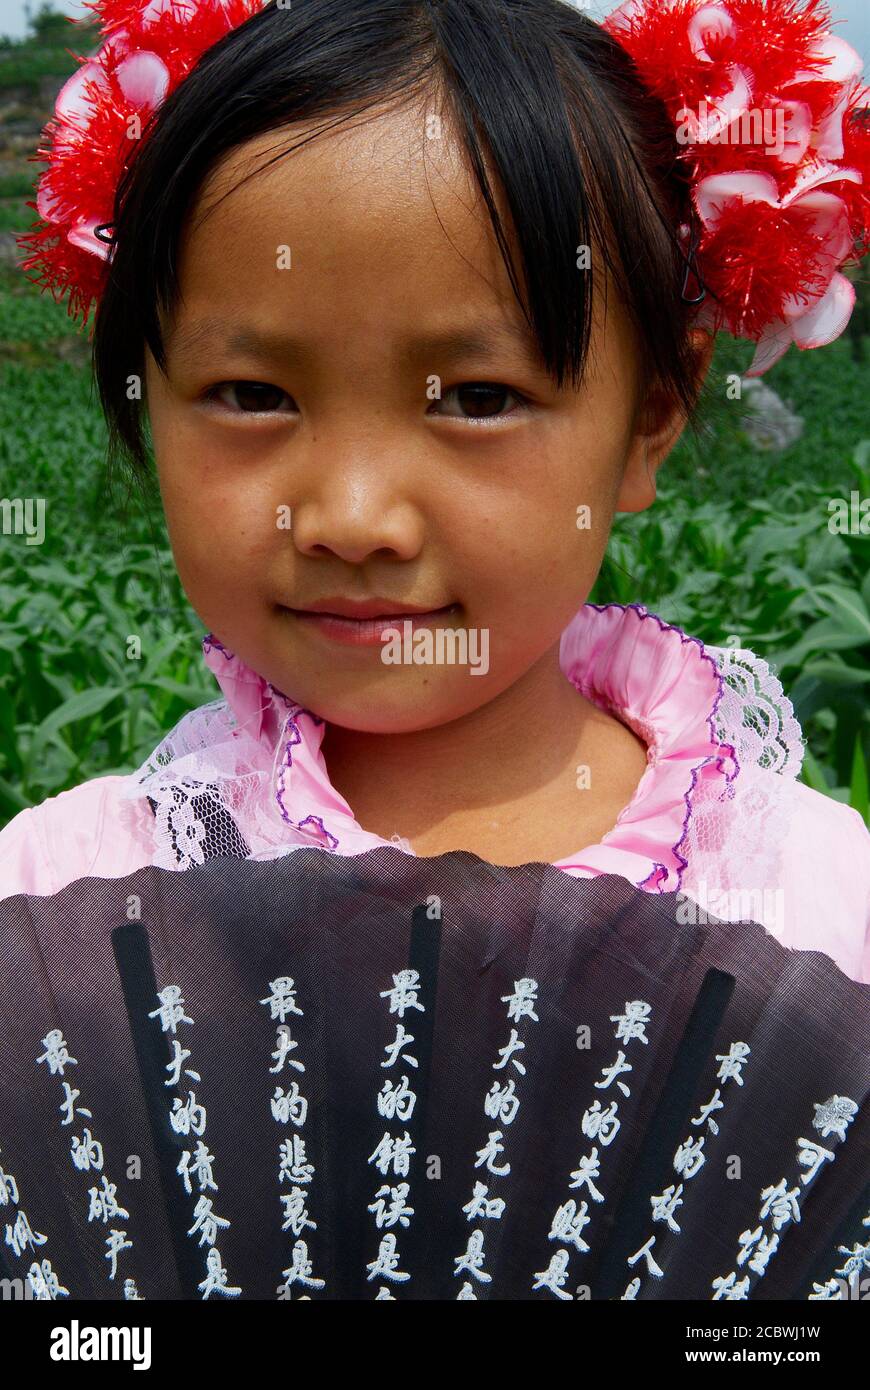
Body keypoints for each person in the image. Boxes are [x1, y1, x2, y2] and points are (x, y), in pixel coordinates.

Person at [3, 0, 869, 988]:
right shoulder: (59, 909)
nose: (354, 521)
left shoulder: (816, 913)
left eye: (479, 398)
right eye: (253, 396)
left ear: (649, 421)